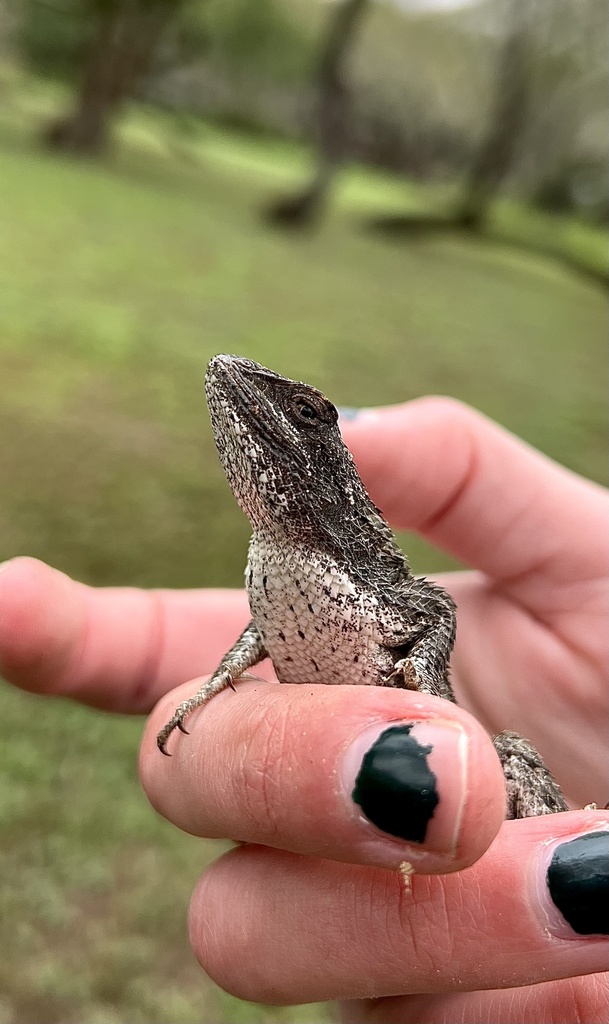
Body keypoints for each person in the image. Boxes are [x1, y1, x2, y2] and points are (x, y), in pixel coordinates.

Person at [0, 396, 607, 1024]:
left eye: (306, 412)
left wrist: (423, 685)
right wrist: (219, 682)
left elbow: (434, 610)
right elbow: (263, 625)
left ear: (321, 455)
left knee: (513, 758)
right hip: (426, 813)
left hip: (485, 785)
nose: (242, 389)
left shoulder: (352, 564)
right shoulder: (270, 558)